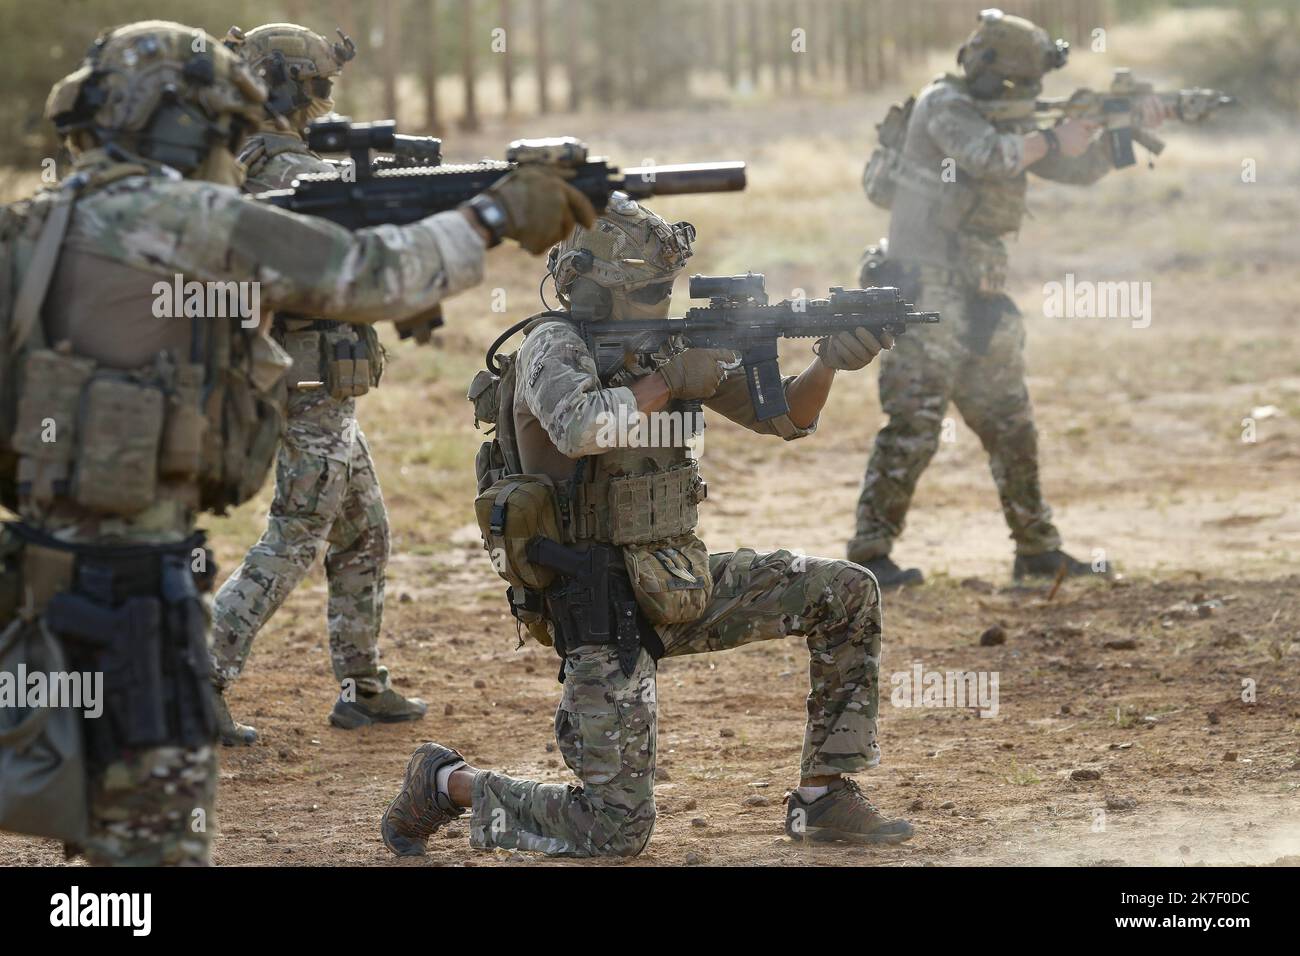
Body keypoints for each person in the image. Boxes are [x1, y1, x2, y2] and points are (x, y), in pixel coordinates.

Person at [0, 19, 592, 865]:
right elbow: (375, 273)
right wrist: (495, 213)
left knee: (84, 845)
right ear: (180, 123)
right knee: (143, 855)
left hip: (32, 588)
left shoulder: (29, 229)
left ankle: (358, 678)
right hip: (134, 597)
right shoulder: (198, 218)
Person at [380, 195, 914, 858]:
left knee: (846, 592)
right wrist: (670, 377)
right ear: (596, 294)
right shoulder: (554, 345)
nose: (664, 302)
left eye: (667, 288)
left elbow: (785, 419)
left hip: (674, 581)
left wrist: (830, 359)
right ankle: (445, 782)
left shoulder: (667, 347)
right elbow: (579, 427)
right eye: (649, 291)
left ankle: (823, 794)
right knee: (616, 829)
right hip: (598, 606)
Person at [848, 8, 1172, 586]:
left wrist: (1121, 134)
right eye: (1021, 85)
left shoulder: (1004, 118)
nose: (1027, 94)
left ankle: (1037, 551)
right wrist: (1052, 135)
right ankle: (870, 556)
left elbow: (1071, 169)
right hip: (925, 290)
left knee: (1010, 423)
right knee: (915, 425)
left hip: (979, 294)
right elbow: (992, 156)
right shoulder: (943, 106)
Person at [209, 23, 416, 744]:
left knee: (364, 532)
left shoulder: (253, 157)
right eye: (319, 86)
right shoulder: (284, 168)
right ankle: (196, 678)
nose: (325, 102)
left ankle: (361, 685)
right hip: (304, 378)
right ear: (290, 85)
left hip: (309, 375)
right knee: (298, 532)